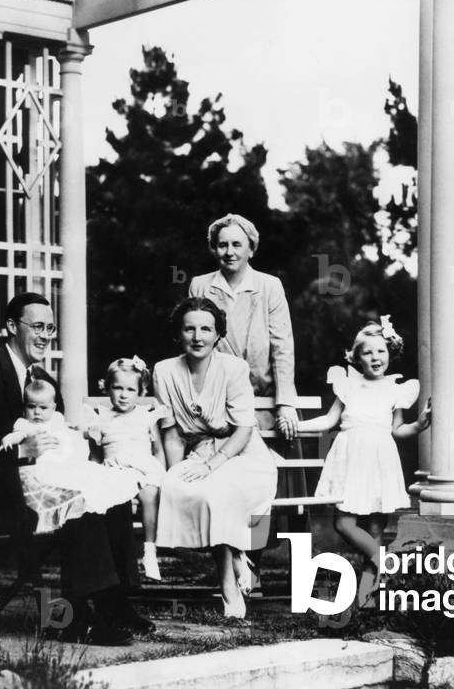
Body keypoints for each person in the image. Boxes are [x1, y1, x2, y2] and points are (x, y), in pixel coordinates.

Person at [0, 292, 151, 645]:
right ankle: (72, 619)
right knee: (80, 503)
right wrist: (19, 451)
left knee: (109, 489)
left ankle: (114, 602)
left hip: (40, 483)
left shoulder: (42, 378)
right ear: (11, 326)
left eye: (50, 328)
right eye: (37, 327)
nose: (45, 335)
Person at [188, 213, 302, 586]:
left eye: (237, 244)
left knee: (258, 481)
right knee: (224, 479)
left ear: (251, 248)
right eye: (222, 244)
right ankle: (232, 565)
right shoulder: (201, 285)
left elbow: (282, 344)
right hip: (218, 400)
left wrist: (285, 401)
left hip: (261, 399)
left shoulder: (269, 286)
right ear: (213, 249)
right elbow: (195, 343)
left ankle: (252, 562)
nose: (229, 251)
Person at [152, 297, 278, 619]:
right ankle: (236, 557)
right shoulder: (164, 371)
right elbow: (171, 433)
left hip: (243, 454)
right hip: (199, 453)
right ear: (178, 333)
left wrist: (211, 466)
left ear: (218, 334)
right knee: (185, 488)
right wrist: (176, 474)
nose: (198, 337)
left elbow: (244, 430)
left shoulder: (234, 368)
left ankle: (227, 586)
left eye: (206, 329)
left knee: (217, 492)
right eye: (189, 329)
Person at [297, 316, 432, 606]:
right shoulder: (348, 385)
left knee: (374, 529)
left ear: (390, 353)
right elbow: (328, 421)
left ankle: (367, 598)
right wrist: (297, 426)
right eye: (367, 352)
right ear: (356, 357)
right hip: (350, 459)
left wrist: (419, 425)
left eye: (381, 351)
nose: (375, 357)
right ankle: (387, 565)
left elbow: (398, 429)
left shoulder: (395, 388)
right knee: (343, 523)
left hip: (379, 459)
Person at [0, 379, 140, 535]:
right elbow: (18, 435)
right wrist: (9, 440)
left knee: (97, 480)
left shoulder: (56, 419)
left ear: (53, 408)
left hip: (63, 464)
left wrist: (75, 430)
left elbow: (66, 430)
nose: (37, 412)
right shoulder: (26, 425)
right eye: (31, 407)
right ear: (25, 408)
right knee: (75, 487)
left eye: (43, 408)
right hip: (42, 467)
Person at [84, 356, 168, 581]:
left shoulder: (145, 417)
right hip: (113, 471)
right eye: (117, 388)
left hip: (142, 469)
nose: (123, 395)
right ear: (107, 388)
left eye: (130, 389)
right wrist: (92, 475)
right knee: (108, 500)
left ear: (140, 392)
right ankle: (112, 563)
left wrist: (162, 474)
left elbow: (158, 450)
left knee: (150, 493)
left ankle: (149, 551)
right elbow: (95, 455)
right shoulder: (100, 419)